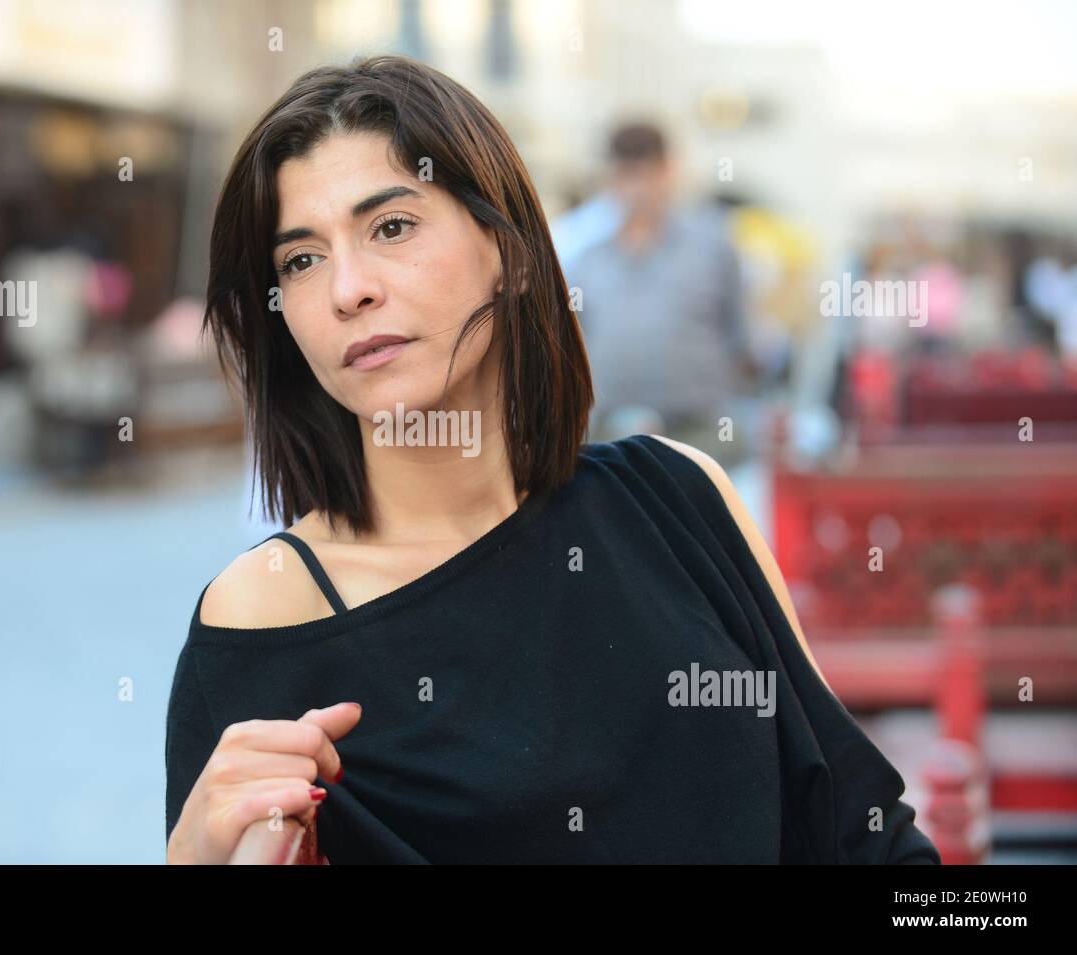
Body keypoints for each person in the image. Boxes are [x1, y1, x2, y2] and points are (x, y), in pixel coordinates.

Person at [164, 55, 940, 865]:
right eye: (301, 259)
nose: (347, 288)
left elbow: (865, 837)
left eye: (391, 226)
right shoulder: (262, 618)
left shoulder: (678, 499)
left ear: (511, 252)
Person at [559, 122, 760, 467]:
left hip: (700, 434)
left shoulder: (713, 248)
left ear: (669, 171)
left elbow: (740, 338)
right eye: (627, 174)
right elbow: (574, 344)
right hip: (613, 436)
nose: (638, 188)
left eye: (648, 173)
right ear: (610, 178)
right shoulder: (585, 259)